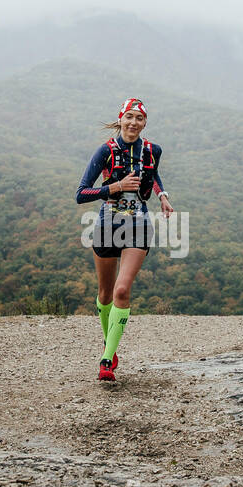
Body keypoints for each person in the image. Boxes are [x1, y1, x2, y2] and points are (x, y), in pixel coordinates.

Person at [75, 97, 174, 382]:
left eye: (139, 118)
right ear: (121, 119)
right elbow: (81, 194)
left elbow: (153, 175)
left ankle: (107, 359)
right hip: (107, 224)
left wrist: (163, 196)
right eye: (128, 117)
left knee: (121, 292)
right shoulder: (105, 151)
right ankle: (111, 345)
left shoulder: (153, 150)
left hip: (139, 224)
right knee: (105, 293)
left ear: (144, 123)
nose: (133, 122)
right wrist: (115, 187)